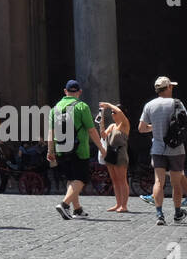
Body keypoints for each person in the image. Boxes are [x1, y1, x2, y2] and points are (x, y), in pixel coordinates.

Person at [48, 80, 104, 221]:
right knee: (80, 179)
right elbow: (91, 130)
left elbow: (51, 133)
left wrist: (50, 151)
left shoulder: (54, 109)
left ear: (65, 91)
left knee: (71, 179)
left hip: (61, 149)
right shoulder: (82, 107)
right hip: (79, 150)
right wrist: (102, 148)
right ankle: (64, 204)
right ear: (79, 92)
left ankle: (77, 209)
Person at [138, 76, 187, 225]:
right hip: (176, 149)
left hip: (158, 148)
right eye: (171, 86)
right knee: (176, 183)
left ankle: (159, 214)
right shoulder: (177, 103)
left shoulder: (149, 105)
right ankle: (177, 213)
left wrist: (155, 127)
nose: (172, 88)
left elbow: (141, 128)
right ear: (167, 88)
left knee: (158, 182)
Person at [98, 101, 130, 213]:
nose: (112, 114)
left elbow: (120, 112)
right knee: (115, 180)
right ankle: (118, 204)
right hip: (110, 154)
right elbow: (103, 135)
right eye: (111, 112)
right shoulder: (112, 126)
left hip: (120, 154)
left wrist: (108, 104)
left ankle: (124, 205)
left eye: (114, 112)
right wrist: (101, 120)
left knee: (122, 180)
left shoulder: (125, 123)